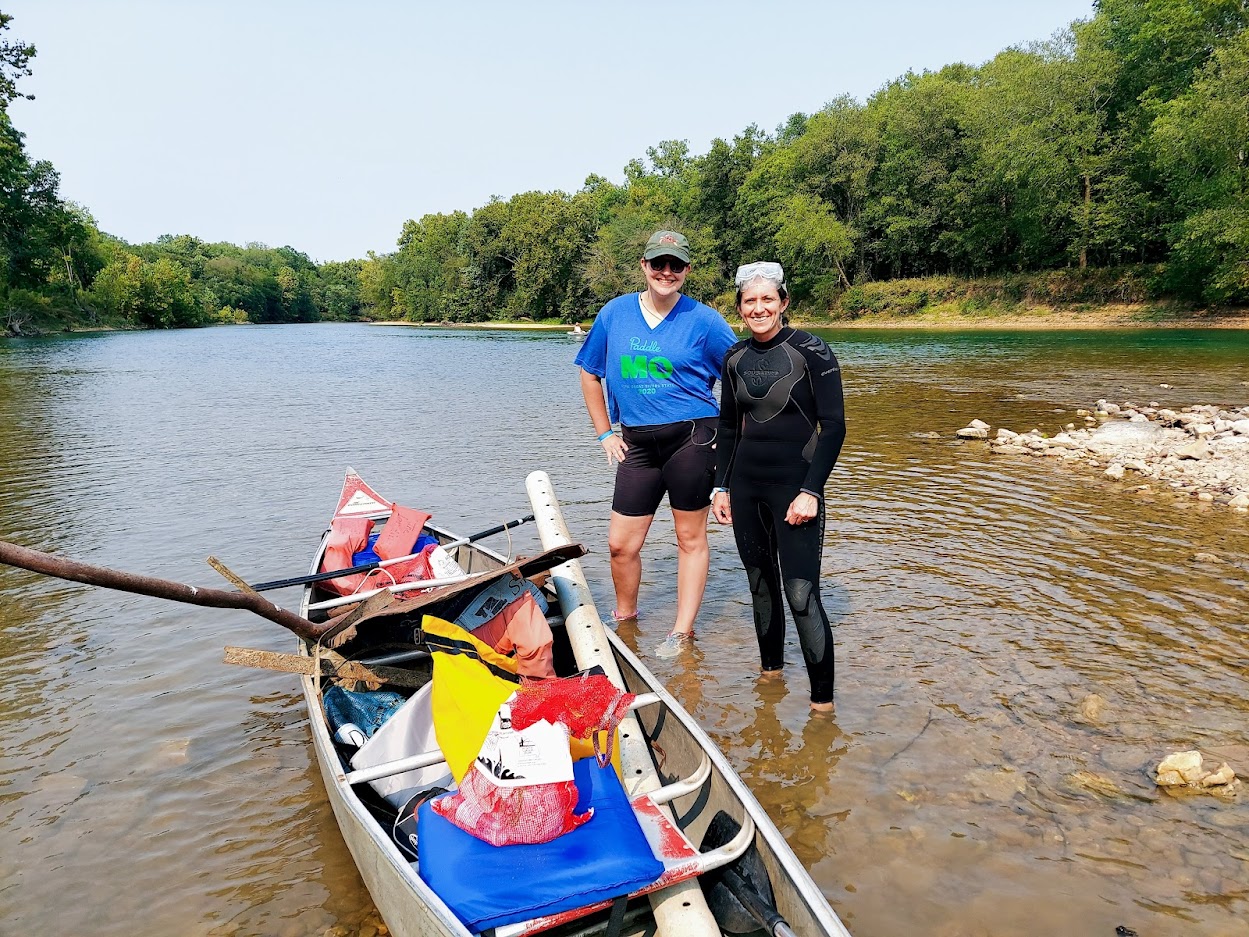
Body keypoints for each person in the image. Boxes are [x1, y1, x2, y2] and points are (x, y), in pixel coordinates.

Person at [575, 231, 737, 658]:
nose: (667, 272)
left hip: (694, 437)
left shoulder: (704, 321)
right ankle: (625, 618)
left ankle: (682, 631)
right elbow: (590, 373)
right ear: (644, 266)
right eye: (658, 264)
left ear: (686, 271)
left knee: (689, 538)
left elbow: (740, 379)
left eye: (676, 265)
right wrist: (605, 432)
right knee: (620, 544)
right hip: (637, 445)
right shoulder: (614, 314)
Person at [711, 262, 846, 710]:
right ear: (739, 308)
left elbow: (834, 428)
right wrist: (720, 488)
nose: (759, 308)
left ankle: (822, 706)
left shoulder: (813, 351)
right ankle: (770, 680)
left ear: (784, 302)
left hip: (796, 487)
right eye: (750, 301)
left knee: (801, 593)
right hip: (746, 487)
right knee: (760, 584)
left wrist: (812, 491)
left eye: (768, 299)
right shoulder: (734, 358)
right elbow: (729, 428)